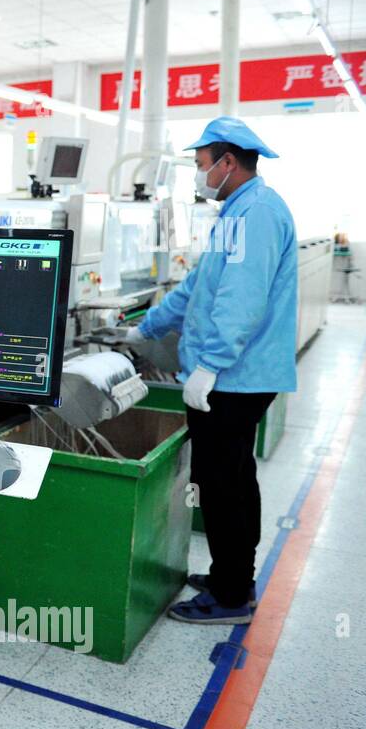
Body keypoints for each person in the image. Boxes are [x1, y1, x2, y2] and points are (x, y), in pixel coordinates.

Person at [125, 117, 298, 625]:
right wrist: (147, 328)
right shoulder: (237, 212)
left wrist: (210, 368)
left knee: (222, 483)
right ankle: (233, 576)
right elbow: (198, 288)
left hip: (235, 377)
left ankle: (229, 598)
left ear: (227, 162)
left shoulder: (257, 214)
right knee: (235, 477)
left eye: (201, 165)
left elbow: (240, 302)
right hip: (232, 374)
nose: (198, 176)